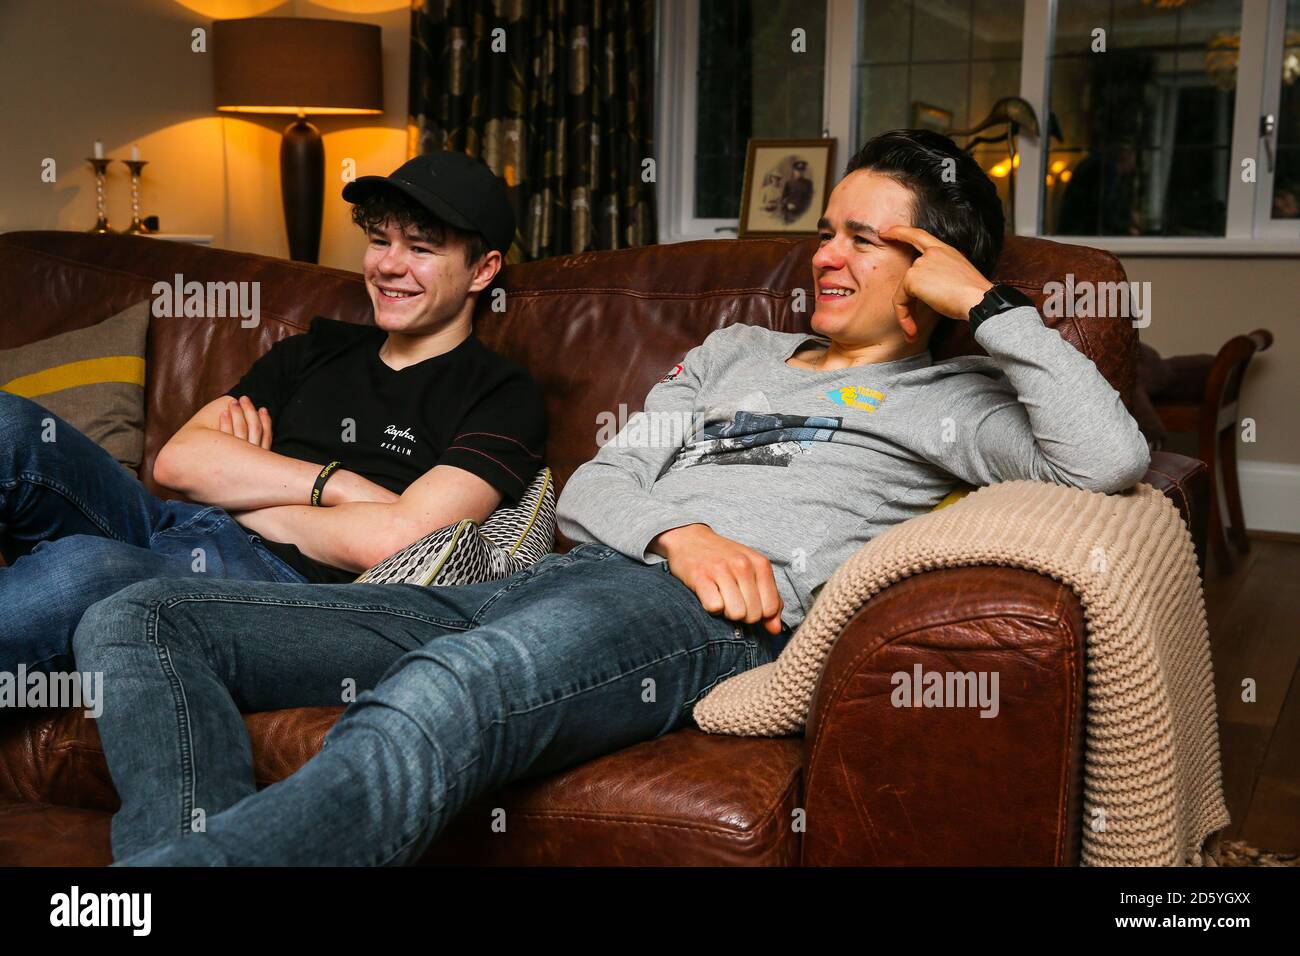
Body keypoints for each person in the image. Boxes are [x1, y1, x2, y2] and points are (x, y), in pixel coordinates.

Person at [74, 129, 1151, 865]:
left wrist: (989, 304)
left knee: (457, 682)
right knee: (139, 612)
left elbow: (1109, 460)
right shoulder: (737, 350)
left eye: (865, 239)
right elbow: (603, 484)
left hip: (694, 621)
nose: (823, 255)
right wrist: (680, 528)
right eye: (827, 229)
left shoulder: (958, 400)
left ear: (933, 265)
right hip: (553, 575)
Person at [0, 151, 546, 674]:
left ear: (482, 270)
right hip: (173, 524)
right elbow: (178, 464)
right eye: (379, 241)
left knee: (83, 567)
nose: (387, 266)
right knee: (9, 424)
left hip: (277, 583)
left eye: (421, 250)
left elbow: (397, 540)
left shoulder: (501, 393)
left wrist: (242, 492)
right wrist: (338, 486)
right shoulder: (315, 349)